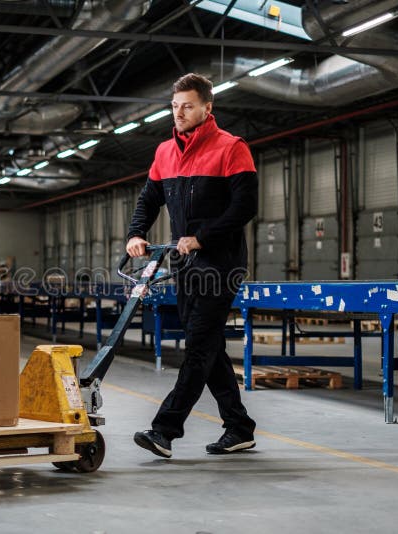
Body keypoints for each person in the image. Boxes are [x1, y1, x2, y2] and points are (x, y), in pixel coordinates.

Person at [126, 73, 259, 458]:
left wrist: (203, 237)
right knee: (209, 345)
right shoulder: (165, 152)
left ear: (207, 107)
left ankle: (164, 429)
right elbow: (149, 199)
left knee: (199, 346)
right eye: (174, 106)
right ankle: (239, 427)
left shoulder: (232, 147)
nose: (179, 113)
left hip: (222, 263)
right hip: (186, 264)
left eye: (187, 106)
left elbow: (244, 207)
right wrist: (136, 233)